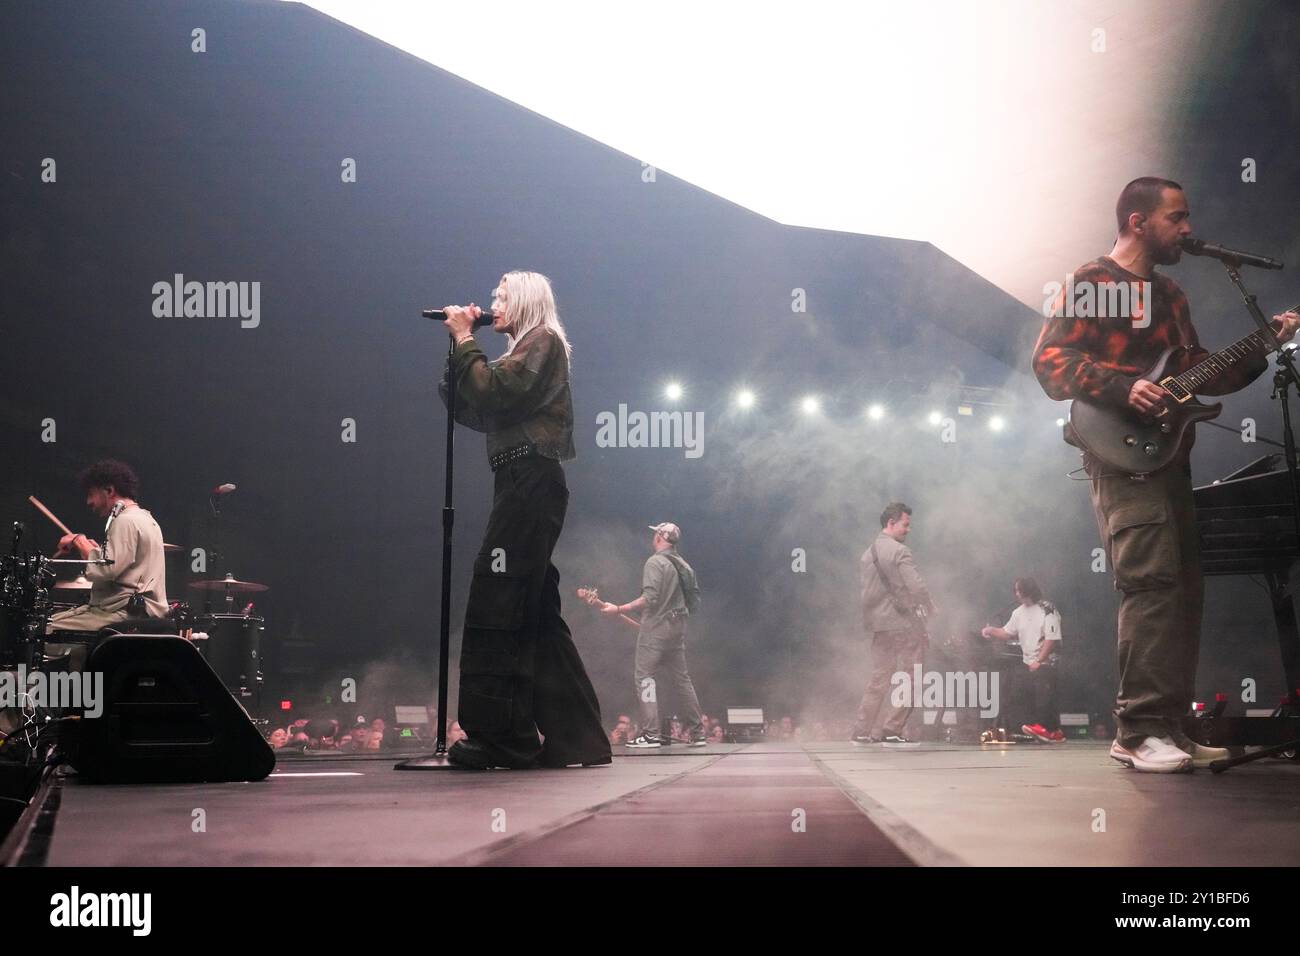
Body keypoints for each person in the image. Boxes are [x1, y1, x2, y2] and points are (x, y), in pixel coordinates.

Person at [1033, 177, 1300, 772]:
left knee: (1182, 592)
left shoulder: (1172, 295)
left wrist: (1266, 343)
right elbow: (1051, 363)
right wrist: (1125, 386)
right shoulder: (1094, 283)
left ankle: (1172, 729)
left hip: (1169, 457)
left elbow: (1202, 373)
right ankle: (1136, 732)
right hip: (1121, 456)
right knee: (1150, 587)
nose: (1187, 229)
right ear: (1137, 220)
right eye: (1176, 218)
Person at [438, 271, 611, 770]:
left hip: (529, 481)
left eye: (501, 295)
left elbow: (493, 393)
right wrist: (460, 347)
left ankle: (503, 739)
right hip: (522, 481)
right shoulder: (523, 349)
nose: (492, 302)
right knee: (534, 613)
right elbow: (471, 401)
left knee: (500, 597)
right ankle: (579, 740)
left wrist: (466, 338)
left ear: (527, 300)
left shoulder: (542, 341)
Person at [45, 460, 169, 669]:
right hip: (137, 610)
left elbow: (106, 568)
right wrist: (92, 548)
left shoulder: (125, 521)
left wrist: (79, 541)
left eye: (91, 494)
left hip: (123, 613)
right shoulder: (145, 518)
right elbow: (122, 563)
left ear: (109, 490)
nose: (88, 502)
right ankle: (79, 695)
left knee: (42, 631)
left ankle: (52, 694)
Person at [601, 522, 706, 748]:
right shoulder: (684, 565)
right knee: (682, 680)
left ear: (660, 536)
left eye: (654, 534)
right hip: (677, 628)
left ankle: (651, 734)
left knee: (645, 678)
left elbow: (650, 598)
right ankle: (698, 733)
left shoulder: (655, 562)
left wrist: (618, 609)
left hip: (656, 628)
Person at [851, 502, 933, 745]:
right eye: (905, 524)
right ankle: (892, 729)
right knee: (912, 677)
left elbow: (867, 597)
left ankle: (861, 730)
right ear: (891, 523)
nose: (908, 529)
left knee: (879, 677)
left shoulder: (867, 555)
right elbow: (916, 586)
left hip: (878, 626)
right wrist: (929, 605)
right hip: (903, 625)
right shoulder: (900, 551)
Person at [981, 577, 1064, 743]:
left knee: (1043, 697)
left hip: (1047, 662)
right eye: (1016, 590)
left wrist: (1040, 660)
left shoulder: (1047, 609)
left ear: (1028, 591)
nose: (1017, 594)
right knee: (1022, 695)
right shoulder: (1018, 612)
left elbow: (1052, 638)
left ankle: (1046, 728)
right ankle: (1054, 732)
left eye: (1019, 590)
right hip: (1029, 662)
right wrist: (990, 630)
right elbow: (1007, 632)